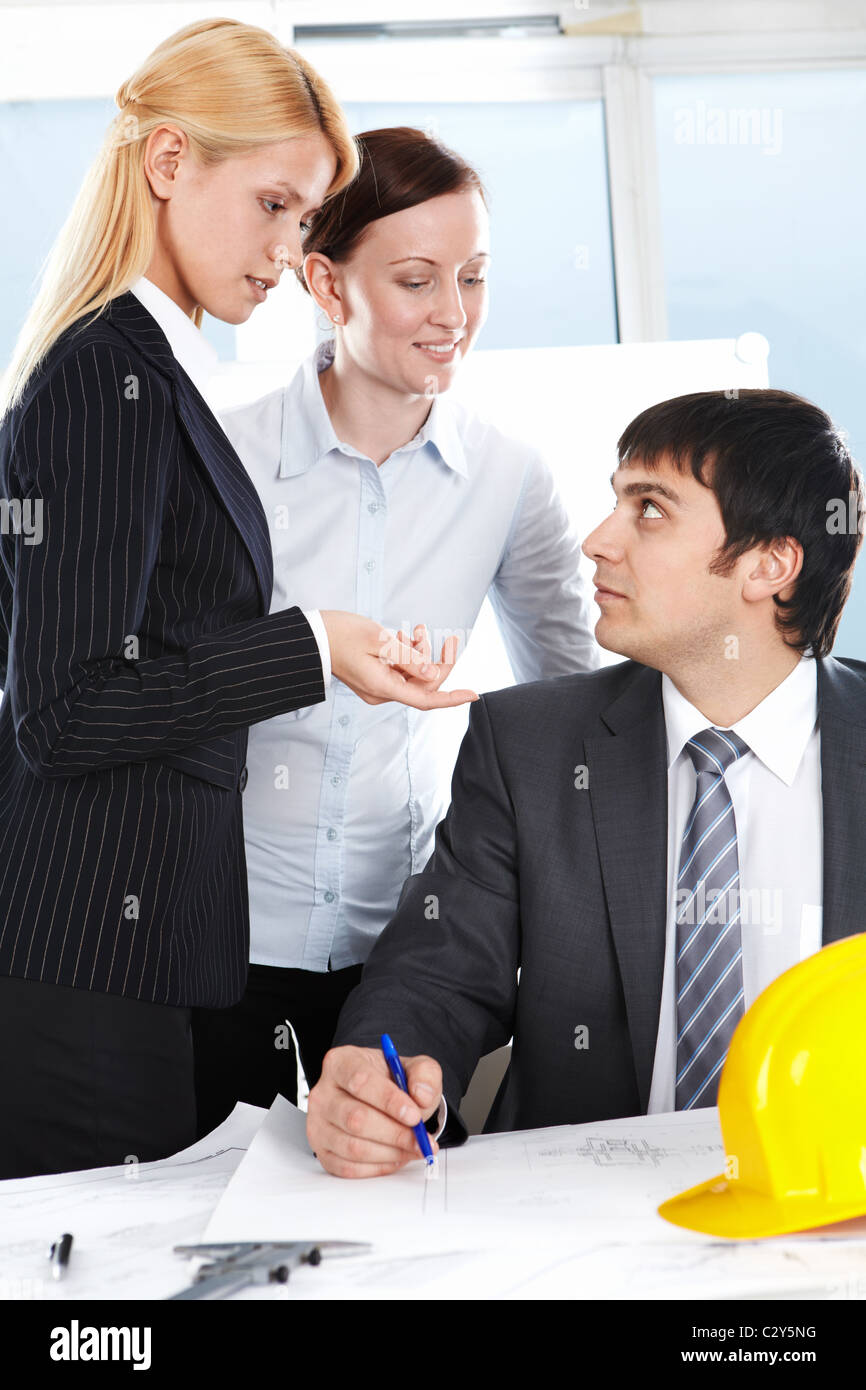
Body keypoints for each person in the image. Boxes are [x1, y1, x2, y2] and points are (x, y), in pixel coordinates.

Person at [0, 19, 475, 1180]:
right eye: (272, 204)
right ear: (168, 163)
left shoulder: (152, 366)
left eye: (307, 218)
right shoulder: (110, 374)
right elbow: (64, 708)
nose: (287, 249)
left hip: (133, 954)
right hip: (87, 965)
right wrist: (312, 644)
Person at [306, 386, 866, 1177]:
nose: (598, 541)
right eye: (617, 502)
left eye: (651, 510)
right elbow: (438, 972)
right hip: (580, 1226)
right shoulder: (528, 744)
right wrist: (382, 1075)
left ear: (770, 563)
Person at [190, 126, 600, 1135]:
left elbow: (574, 694)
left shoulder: (508, 475)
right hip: (214, 951)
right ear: (325, 287)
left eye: (472, 276)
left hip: (404, 960)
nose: (452, 315)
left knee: (408, 1214)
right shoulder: (216, 462)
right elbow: (157, 684)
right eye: (417, 280)